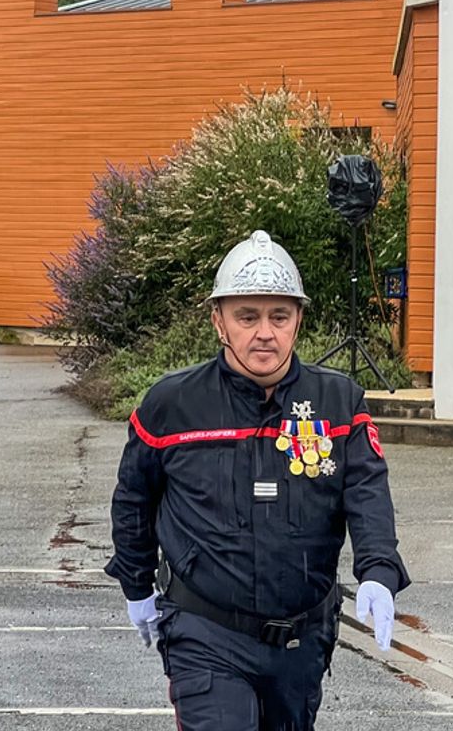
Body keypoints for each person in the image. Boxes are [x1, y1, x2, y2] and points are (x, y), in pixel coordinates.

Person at [104, 230, 410, 730]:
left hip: (301, 641)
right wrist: (136, 584)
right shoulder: (171, 406)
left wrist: (378, 570)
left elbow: (367, 492)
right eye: (247, 316)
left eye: (279, 316)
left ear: (298, 321)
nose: (263, 332)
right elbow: (134, 499)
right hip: (206, 633)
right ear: (218, 320)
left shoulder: (339, 403)